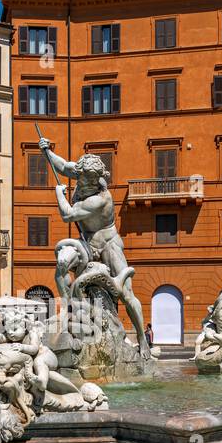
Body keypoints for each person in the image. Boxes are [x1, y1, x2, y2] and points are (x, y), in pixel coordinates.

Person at [38, 136, 151, 356]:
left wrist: (59, 195)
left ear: (98, 180)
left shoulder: (101, 198)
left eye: (90, 182)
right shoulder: (81, 173)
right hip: (86, 244)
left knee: (126, 293)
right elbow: (61, 166)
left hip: (108, 244)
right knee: (62, 263)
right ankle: (68, 311)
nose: (85, 185)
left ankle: (140, 338)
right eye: (82, 180)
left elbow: (68, 215)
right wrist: (46, 151)